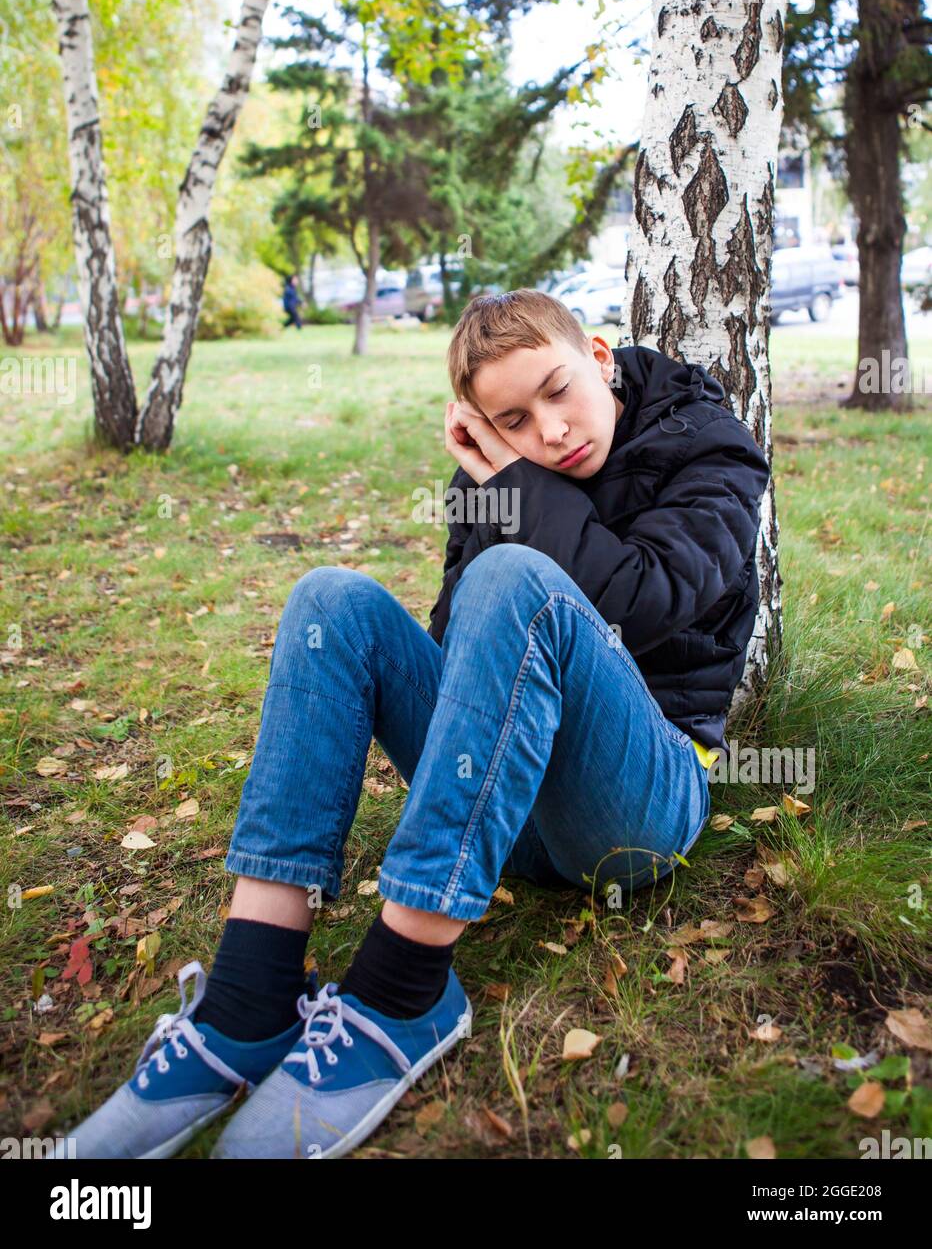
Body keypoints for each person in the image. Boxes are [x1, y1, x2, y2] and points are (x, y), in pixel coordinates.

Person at [54, 289, 770, 1161]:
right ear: (481, 421)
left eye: (557, 389)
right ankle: (248, 1000)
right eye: (512, 417)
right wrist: (501, 490)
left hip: (641, 803)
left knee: (510, 578)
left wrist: (513, 484)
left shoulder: (709, 445)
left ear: (599, 353)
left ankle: (403, 991)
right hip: (516, 813)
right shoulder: (496, 478)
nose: (549, 431)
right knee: (332, 600)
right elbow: (461, 647)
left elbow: (642, 600)